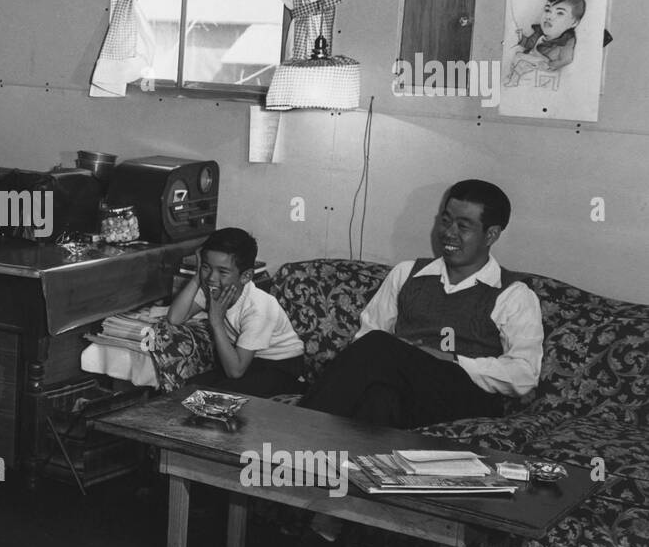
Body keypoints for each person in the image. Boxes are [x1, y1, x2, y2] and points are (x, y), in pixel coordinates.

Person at [298, 180, 543, 430]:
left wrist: (450, 360)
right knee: (380, 399)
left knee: (379, 345)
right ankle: (344, 463)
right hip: (407, 392)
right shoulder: (407, 273)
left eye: (463, 226)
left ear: (491, 234)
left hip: (465, 396)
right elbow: (365, 340)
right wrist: (406, 358)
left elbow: (524, 374)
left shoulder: (514, 294)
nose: (449, 233)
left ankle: (296, 430)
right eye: (445, 221)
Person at [166, 228, 305, 398]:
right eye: (206, 267)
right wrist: (198, 275)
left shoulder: (258, 307)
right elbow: (175, 318)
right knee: (191, 387)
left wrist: (216, 321)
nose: (211, 277)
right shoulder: (214, 287)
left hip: (281, 366)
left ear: (245, 276)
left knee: (224, 395)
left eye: (222, 272)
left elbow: (235, 372)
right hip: (247, 361)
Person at [506, 0, 584, 87]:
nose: (549, 16)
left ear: (574, 22)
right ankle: (513, 80)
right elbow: (529, 44)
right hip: (536, 59)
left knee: (520, 60)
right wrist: (521, 38)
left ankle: (514, 81)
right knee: (518, 57)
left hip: (547, 63)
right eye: (547, 10)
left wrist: (552, 65)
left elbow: (567, 59)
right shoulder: (539, 32)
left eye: (559, 13)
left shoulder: (568, 39)